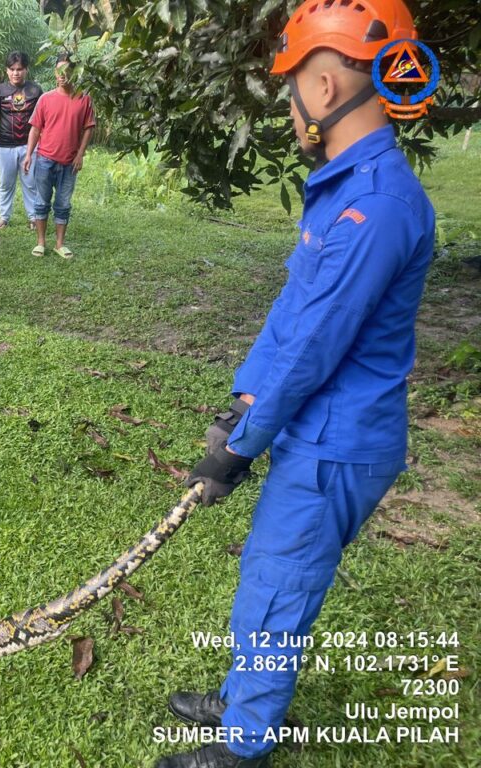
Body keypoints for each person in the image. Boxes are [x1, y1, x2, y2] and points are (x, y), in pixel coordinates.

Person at [166, 1, 435, 766]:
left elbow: (316, 348)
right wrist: (245, 402)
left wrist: (239, 449)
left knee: (279, 589)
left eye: (289, 89)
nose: (287, 108)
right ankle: (241, 696)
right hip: (312, 427)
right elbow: (295, 310)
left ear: (322, 89)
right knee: (267, 577)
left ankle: (243, 743)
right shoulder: (346, 188)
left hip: (337, 441)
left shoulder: (376, 208)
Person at [22, 52, 95, 260]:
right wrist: (29, 155)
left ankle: (60, 244)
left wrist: (80, 154)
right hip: (45, 159)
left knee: (63, 204)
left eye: (67, 70)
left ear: (74, 72)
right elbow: (35, 129)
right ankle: (41, 242)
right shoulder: (45, 99)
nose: (63, 75)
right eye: (59, 70)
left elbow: (89, 128)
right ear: (55, 73)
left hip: (69, 163)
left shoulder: (84, 99)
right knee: (41, 202)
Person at [0, 51, 42, 230]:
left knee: (31, 182)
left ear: (26, 70)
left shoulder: (35, 90)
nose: (16, 73)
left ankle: (33, 218)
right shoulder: (0, 91)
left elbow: (43, 119)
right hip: (5, 146)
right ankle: (4, 217)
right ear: (7, 70)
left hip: (29, 146)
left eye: (20, 69)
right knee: (6, 183)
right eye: (12, 69)